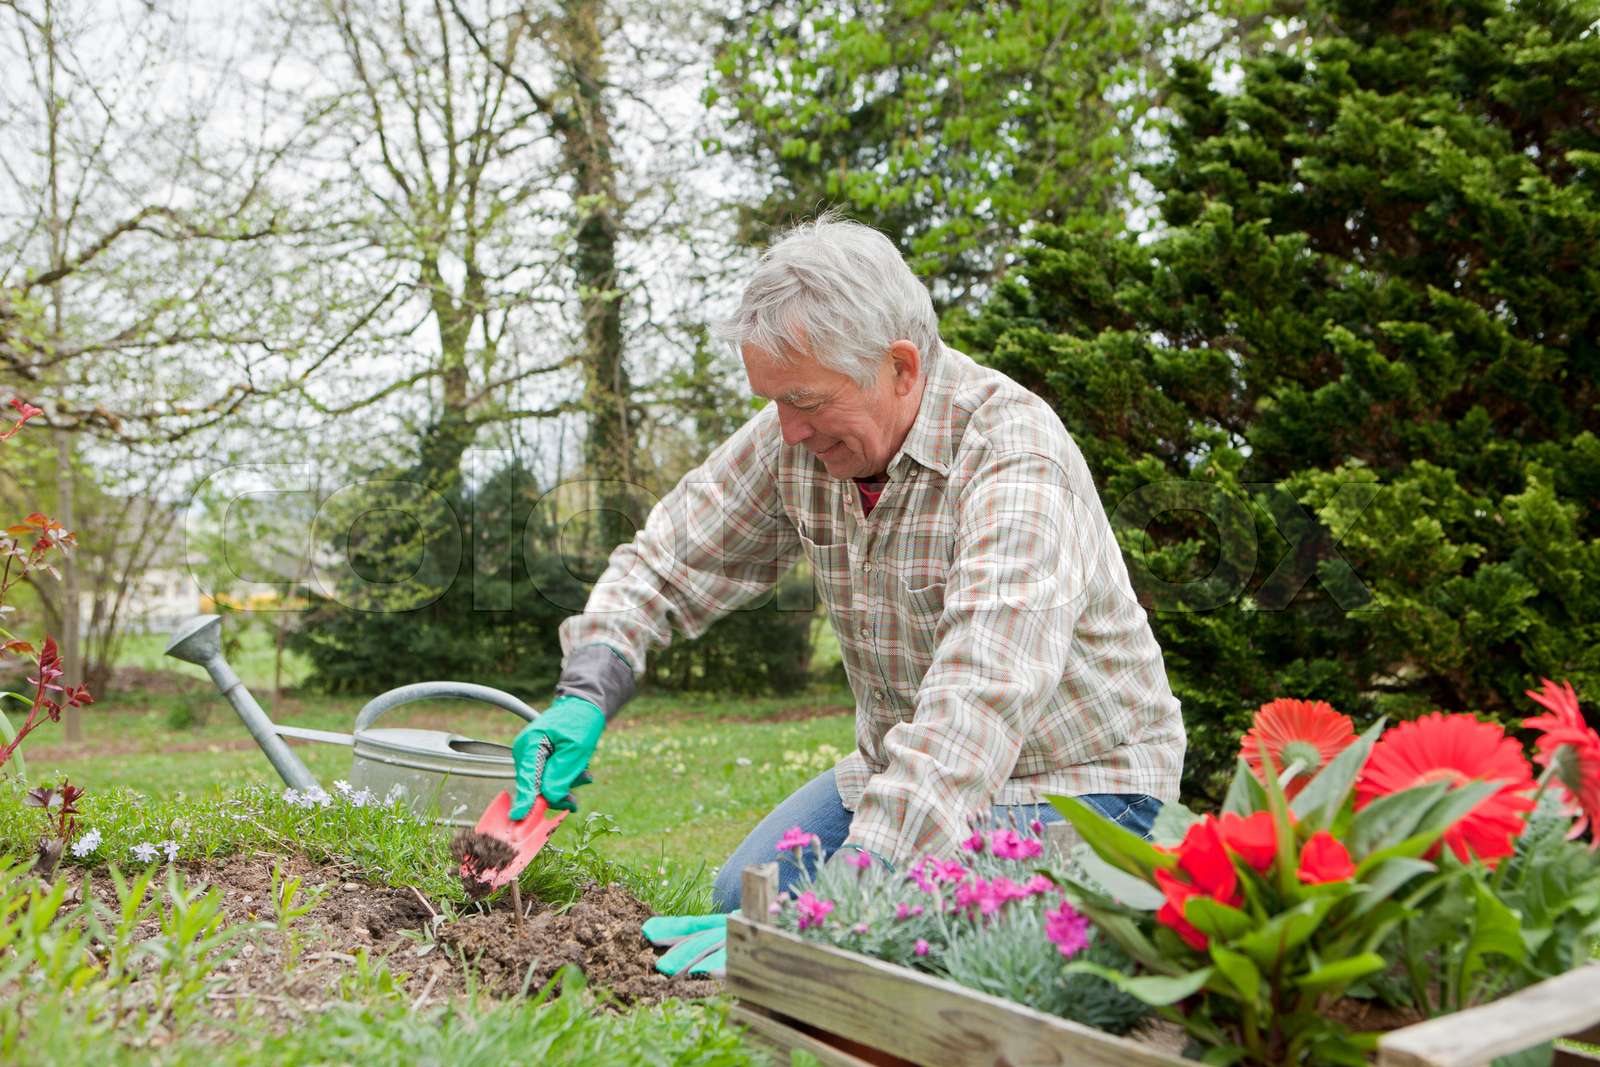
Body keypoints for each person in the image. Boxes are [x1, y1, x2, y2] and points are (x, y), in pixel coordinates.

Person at [510, 215, 1185, 974]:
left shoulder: (1013, 458)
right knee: (746, 896)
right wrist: (588, 685)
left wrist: (845, 907)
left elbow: (979, 701)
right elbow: (670, 556)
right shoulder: (798, 434)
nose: (788, 431)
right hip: (904, 768)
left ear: (899, 367)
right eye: (774, 401)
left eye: (805, 400)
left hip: (1081, 788)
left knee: (881, 942)